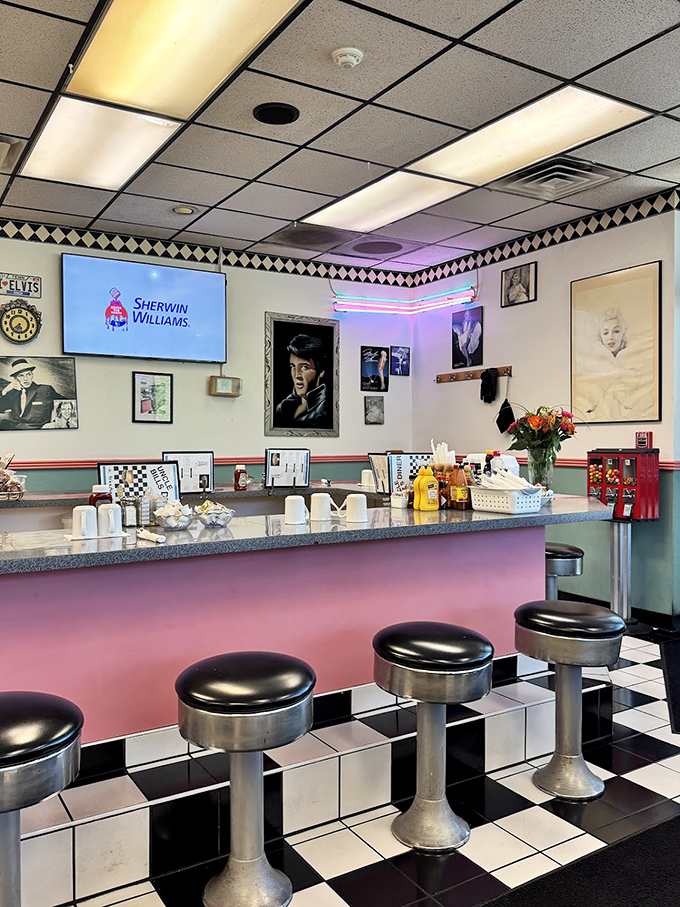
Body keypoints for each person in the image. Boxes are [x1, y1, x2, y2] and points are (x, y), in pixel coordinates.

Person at [275, 334, 328, 427]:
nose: (297, 375)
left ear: (321, 371)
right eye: (293, 366)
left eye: (304, 367)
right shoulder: (283, 406)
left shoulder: (324, 412)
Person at [0, 358, 65, 430]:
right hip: (15, 431)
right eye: (21, 376)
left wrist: (55, 422)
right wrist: (4, 391)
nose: (25, 379)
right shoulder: (12, 393)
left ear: (32, 375)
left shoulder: (45, 390)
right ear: (15, 379)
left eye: (28, 374)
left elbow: (67, 403)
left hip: (37, 431)